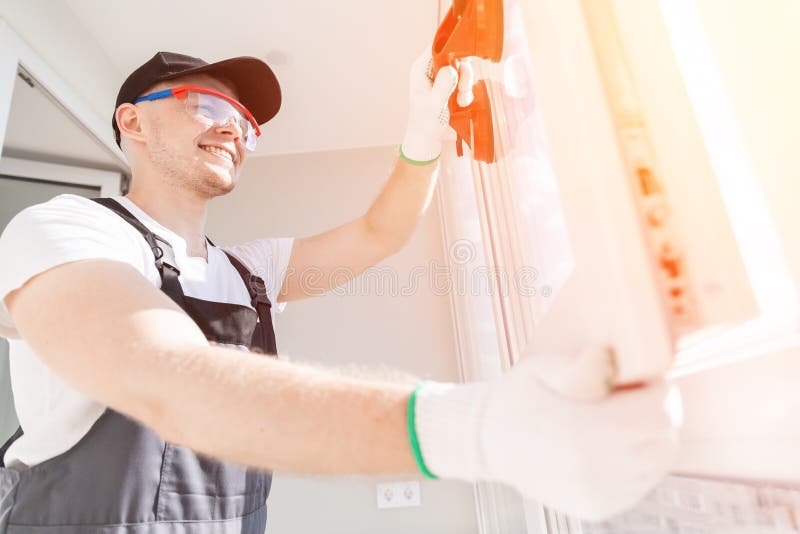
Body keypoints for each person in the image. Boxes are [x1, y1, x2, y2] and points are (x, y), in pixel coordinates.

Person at [0, 50, 680, 532]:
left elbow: (380, 233)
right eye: (206, 104)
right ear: (132, 121)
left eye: (246, 123)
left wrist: (423, 138)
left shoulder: (250, 272)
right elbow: (169, 382)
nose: (234, 128)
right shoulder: (66, 230)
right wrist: (479, 432)